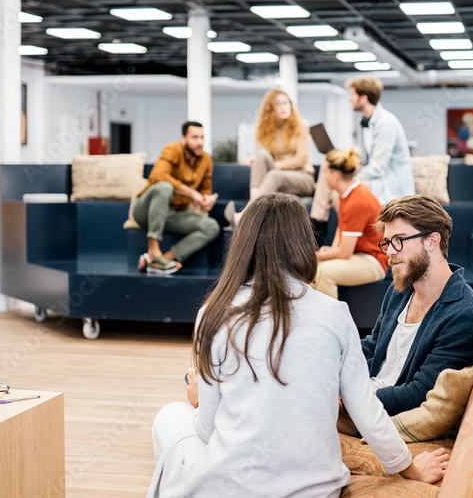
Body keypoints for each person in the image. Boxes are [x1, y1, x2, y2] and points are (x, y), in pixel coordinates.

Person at [148, 193, 448, 497]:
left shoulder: (212, 313)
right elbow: (367, 411)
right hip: (317, 490)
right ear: (303, 243)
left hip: (234, 488)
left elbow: (207, 430)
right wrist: (409, 468)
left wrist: (203, 400)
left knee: (170, 415)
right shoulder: (336, 313)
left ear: (242, 244)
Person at [362, 195, 473, 415]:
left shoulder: (465, 317)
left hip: (383, 413)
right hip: (366, 395)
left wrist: (351, 400)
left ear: (432, 241)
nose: (390, 252)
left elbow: (418, 394)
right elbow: (374, 346)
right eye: (387, 243)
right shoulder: (400, 290)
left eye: (399, 240)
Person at [310, 76, 414, 241]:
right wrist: (343, 162)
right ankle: (318, 221)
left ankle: (343, 241)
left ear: (363, 98)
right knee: (329, 163)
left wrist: (350, 179)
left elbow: (378, 168)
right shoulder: (364, 121)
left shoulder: (386, 123)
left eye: (353, 94)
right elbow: (364, 159)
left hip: (389, 182)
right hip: (375, 175)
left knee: (343, 189)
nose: (350, 98)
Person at [132, 121, 220, 275]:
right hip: (145, 211)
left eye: (202, 137)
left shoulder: (206, 160)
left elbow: (206, 189)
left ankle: (160, 261)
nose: (200, 142)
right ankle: (153, 251)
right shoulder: (173, 149)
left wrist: (206, 200)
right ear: (183, 139)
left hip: (172, 214)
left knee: (211, 227)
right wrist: (191, 193)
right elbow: (159, 176)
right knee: (165, 187)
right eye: (194, 137)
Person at [225, 88, 315, 227]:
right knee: (260, 157)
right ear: (270, 108)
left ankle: (246, 214)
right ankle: (252, 208)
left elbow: (301, 159)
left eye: (286, 103)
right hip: (279, 174)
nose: (283, 107)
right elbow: (262, 155)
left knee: (274, 175)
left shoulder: (301, 125)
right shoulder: (265, 129)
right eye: (278, 104)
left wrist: (278, 165)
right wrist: (254, 161)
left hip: (302, 177)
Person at [312, 148, 388, 299]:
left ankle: (331, 315)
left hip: (373, 260)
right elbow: (342, 227)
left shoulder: (356, 201)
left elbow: (345, 252)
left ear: (335, 176)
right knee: (312, 268)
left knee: (322, 272)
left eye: (325, 172)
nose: (323, 176)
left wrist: (316, 256)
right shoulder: (346, 193)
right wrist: (331, 250)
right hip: (359, 255)